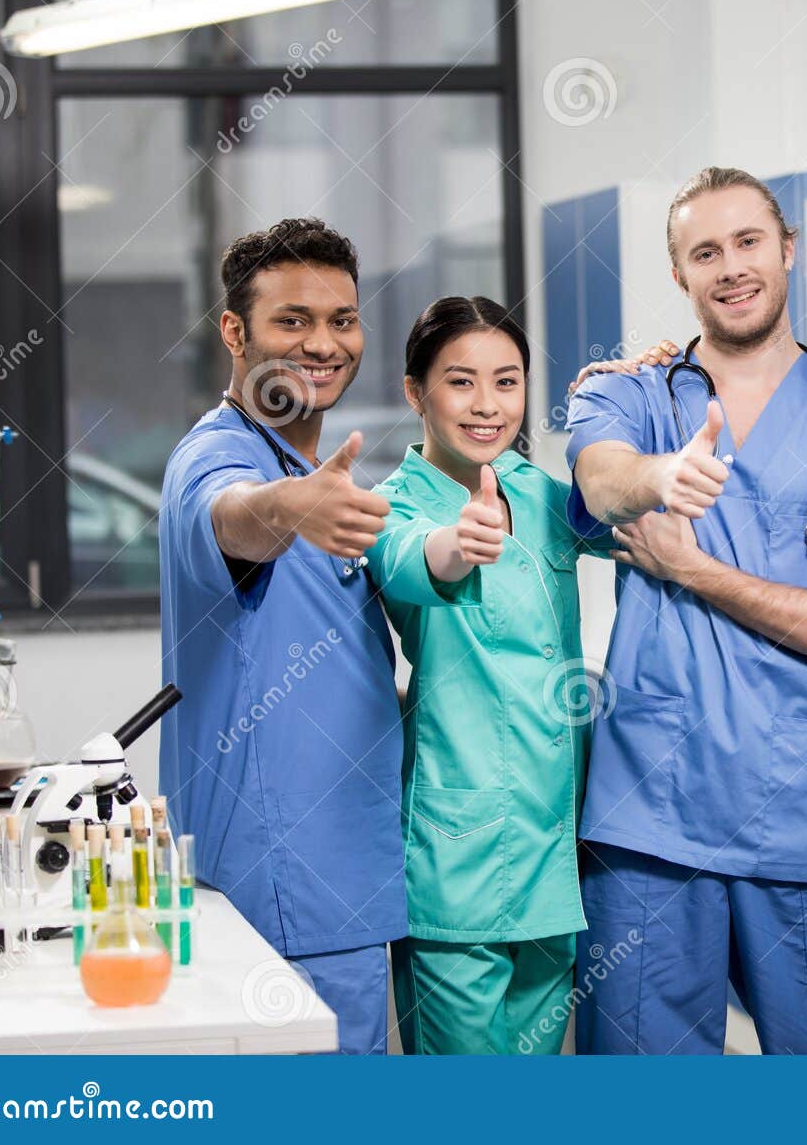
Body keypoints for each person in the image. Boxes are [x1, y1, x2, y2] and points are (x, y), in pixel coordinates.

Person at [564, 166, 807, 1054]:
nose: (730, 266)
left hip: (800, 822)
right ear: (678, 274)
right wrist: (658, 476)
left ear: (787, 250)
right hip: (652, 818)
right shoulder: (633, 393)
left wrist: (693, 569)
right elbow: (599, 474)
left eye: (746, 243)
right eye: (705, 251)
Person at [159, 217, 404, 1055]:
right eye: (291, 321)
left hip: (342, 881)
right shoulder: (221, 458)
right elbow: (231, 517)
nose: (323, 344)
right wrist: (286, 509)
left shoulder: (314, 472)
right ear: (235, 331)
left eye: (341, 319)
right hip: (288, 892)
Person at [366, 297, 607, 1054]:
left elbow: (640, 516)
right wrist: (453, 543)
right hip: (457, 860)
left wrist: (638, 391)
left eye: (507, 382)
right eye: (460, 382)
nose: (487, 404)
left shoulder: (539, 495)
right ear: (416, 392)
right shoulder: (389, 507)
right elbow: (412, 558)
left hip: (550, 851)